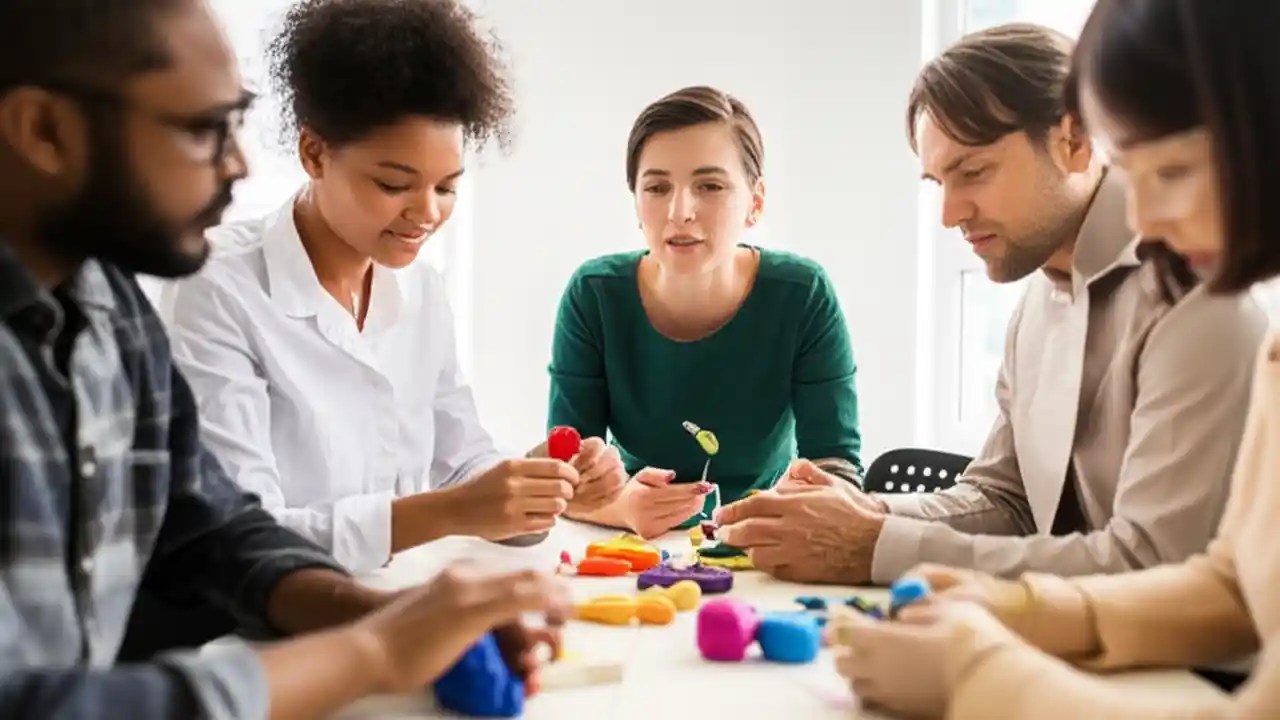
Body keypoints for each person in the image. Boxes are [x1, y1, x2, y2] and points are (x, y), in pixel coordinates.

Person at [0, 1, 569, 718]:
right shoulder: (203, 289)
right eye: (202, 130)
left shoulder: (109, 308)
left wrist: (384, 617)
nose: (238, 164)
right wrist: (372, 652)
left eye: (234, 122)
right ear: (45, 131)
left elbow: (210, 526)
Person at [833, 0, 1280, 716]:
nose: (1141, 221)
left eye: (1170, 171)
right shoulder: (1042, 304)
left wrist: (979, 668)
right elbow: (1228, 584)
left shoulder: (1204, 302)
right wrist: (1015, 608)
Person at [713, 22, 1269, 584]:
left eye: (973, 172)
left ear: (1073, 142)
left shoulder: (1194, 292)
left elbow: (1152, 563)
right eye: (938, 183)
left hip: (1192, 667)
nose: (950, 214)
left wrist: (874, 545)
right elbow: (1007, 501)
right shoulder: (1040, 298)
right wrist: (864, 513)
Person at [164, 0, 626, 573]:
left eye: (448, 187)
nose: (426, 213)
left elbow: (462, 466)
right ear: (314, 153)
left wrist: (542, 482)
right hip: (274, 635)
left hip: (405, 612)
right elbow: (240, 534)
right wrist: (451, 511)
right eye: (393, 183)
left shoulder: (420, 291)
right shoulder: (218, 288)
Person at [547, 85, 864, 540]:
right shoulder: (593, 295)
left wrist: (809, 500)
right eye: (656, 187)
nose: (680, 212)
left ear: (755, 202)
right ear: (636, 203)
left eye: (710, 186)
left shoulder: (803, 293)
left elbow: (837, 463)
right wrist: (621, 506)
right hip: (629, 543)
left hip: (764, 541)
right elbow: (568, 471)